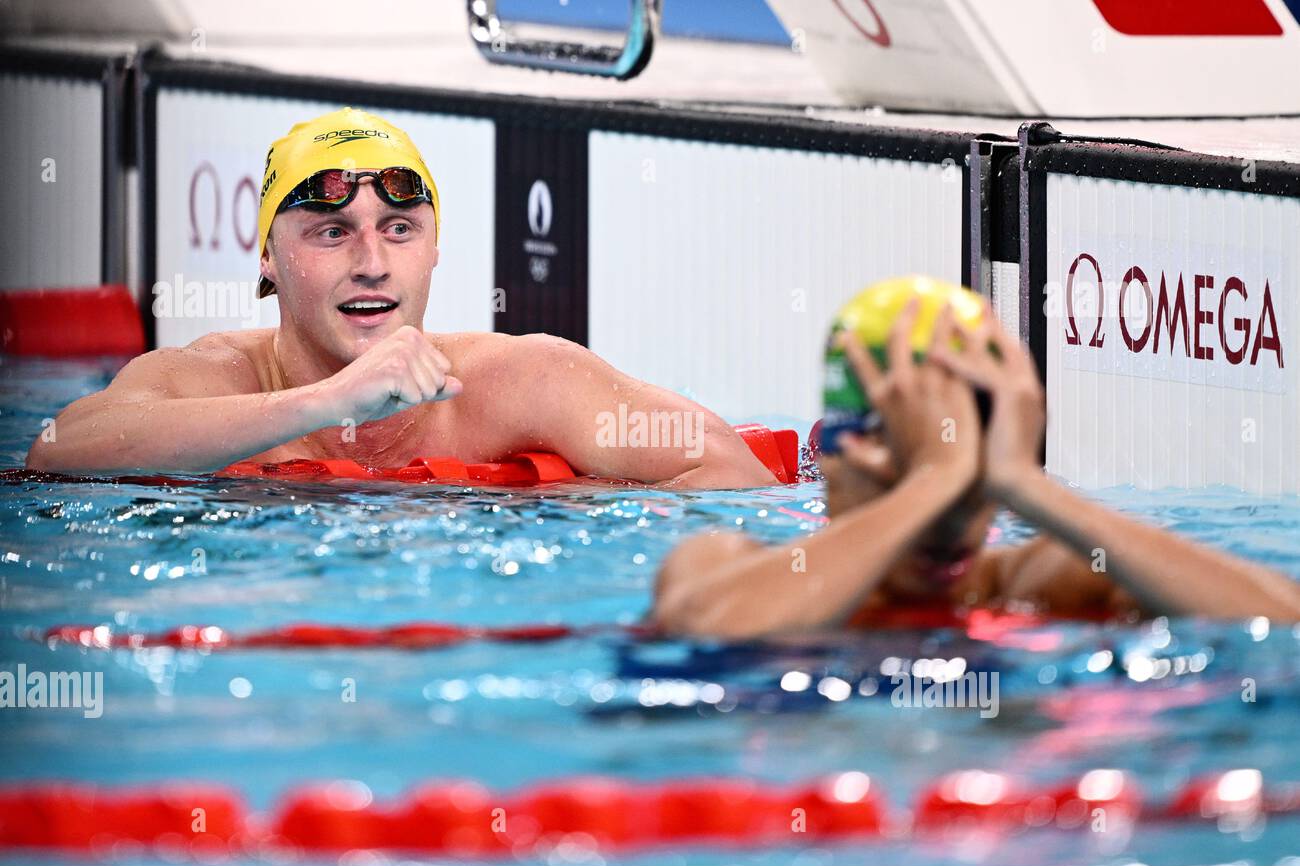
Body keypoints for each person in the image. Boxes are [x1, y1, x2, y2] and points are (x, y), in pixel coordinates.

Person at [25, 108, 775, 490]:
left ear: (436, 248)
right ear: (267, 258)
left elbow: (730, 468)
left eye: (399, 229)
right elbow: (53, 453)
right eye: (331, 233)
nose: (373, 263)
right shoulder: (208, 381)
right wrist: (324, 404)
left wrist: (595, 507)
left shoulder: (521, 383)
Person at [653, 278, 1300, 637]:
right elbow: (704, 629)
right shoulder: (724, 563)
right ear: (836, 463)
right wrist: (935, 481)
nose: (952, 526)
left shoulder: (1043, 582)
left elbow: (1284, 626)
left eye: (976, 484)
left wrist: (1029, 485)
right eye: (921, 475)